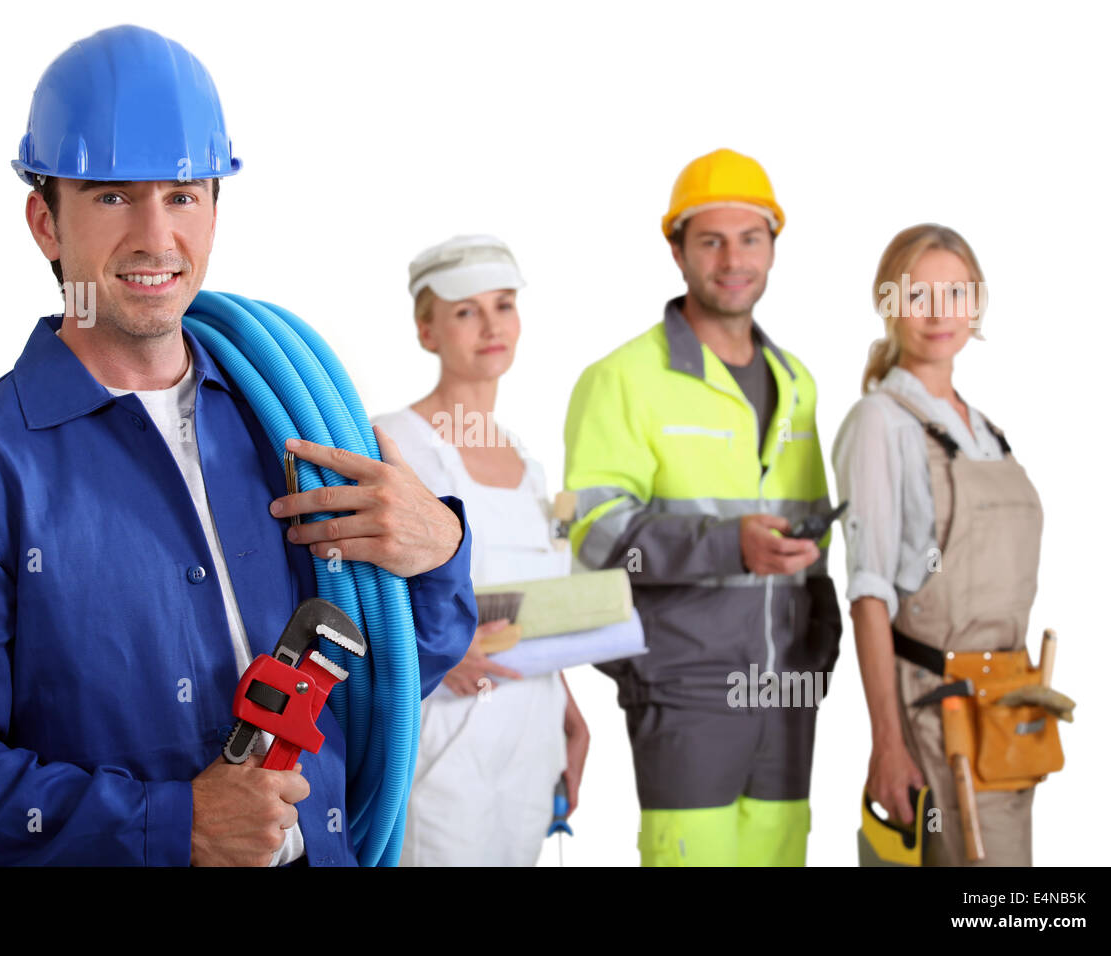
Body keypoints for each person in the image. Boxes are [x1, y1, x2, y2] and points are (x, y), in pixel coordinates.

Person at [0, 25, 476, 867]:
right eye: (113, 196)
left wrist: (441, 552)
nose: (155, 236)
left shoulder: (287, 421)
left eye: (182, 194)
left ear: (216, 208)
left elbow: (387, 679)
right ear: (46, 221)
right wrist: (167, 823)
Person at [563, 149, 842, 866]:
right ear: (677, 250)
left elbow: (815, 535)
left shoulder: (798, 381)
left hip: (787, 691)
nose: (733, 258)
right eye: (710, 240)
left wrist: (821, 646)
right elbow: (594, 536)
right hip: (687, 690)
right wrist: (728, 545)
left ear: (774, 246)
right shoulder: (622, 379)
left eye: (751, 237)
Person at [372, 234, 590, 866]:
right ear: (426, 329)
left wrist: (570, 712)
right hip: (443, 743)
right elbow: (347, 598)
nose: (491, 325)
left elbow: (536, 612)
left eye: (504, 304)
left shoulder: (529, 464)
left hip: (530, 738)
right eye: (466, 310)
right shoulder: (393, 445)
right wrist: (439, 647)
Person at [832, 224, 1043, 866]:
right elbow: (870, 593)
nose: (938, 312)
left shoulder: (988, 433)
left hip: (1008, 716)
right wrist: (887, 745)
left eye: (954, 293)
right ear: (889, 303)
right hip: (935, 717)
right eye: (917, 295)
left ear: (976, 303)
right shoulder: (880, 423)